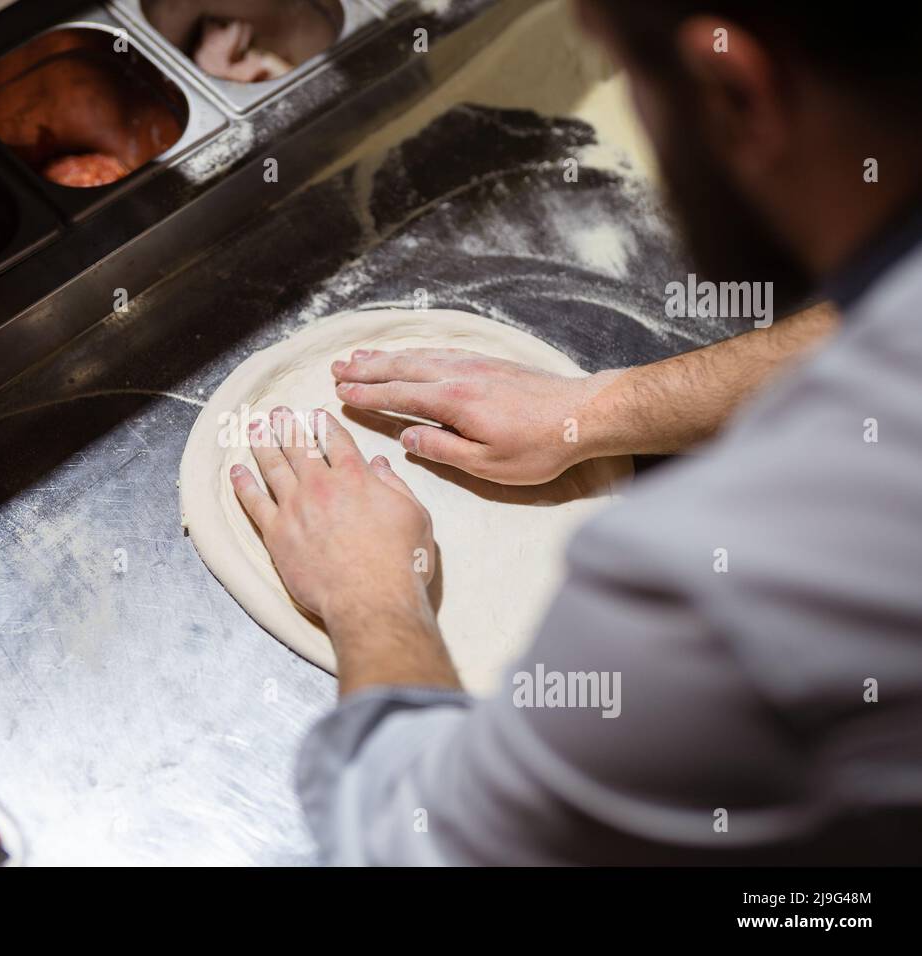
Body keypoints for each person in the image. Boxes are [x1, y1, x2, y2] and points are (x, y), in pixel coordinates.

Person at [227, 0, 922, 864]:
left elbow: (416, 840)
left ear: (734, 91)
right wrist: (594, 411)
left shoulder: (721, 585)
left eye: (632, 78)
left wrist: (372, 592)